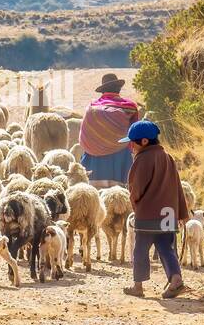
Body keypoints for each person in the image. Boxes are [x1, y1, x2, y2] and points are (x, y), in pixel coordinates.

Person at [121, 120, 188, 299]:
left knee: (140, 249)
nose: (130, 147)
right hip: (169, 214)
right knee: (166, 247)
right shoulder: (167, 157)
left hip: (149, 214)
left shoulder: (143, 159)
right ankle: (175, 279)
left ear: (144, 141)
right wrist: (182, 213)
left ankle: (138, 286)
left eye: (132, 142)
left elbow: (136, 189)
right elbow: (178, 187)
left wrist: (136, 205)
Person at [78, 73, 140, 187]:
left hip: (93, 161)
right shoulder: (130, 106)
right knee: (120, 196)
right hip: (120, 160)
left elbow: (85, 136)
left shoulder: (92, 107)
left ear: (102, 91)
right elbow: (135, 136)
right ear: (118, 89)